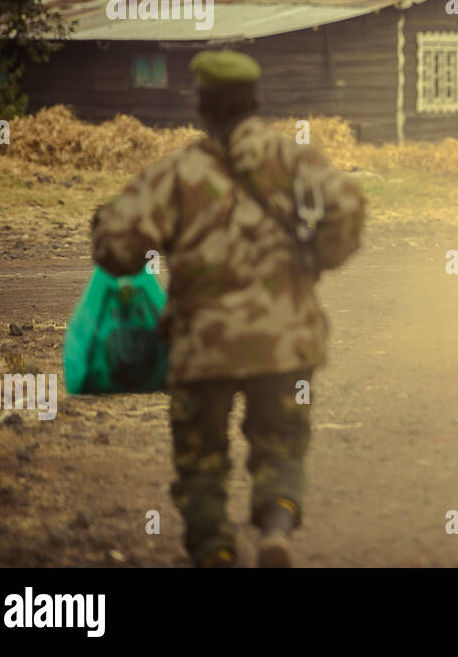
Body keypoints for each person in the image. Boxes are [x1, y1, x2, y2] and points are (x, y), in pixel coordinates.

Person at [91, 49, 366, 568]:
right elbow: (349, 207)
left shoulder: (176, 172)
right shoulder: (292, 158)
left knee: (201, 460)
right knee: (281, 442)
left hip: (202, 347)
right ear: (255, 101)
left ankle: (215, 550)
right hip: (284, 340)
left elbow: (117, 249)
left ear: (203, 105)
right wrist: (318, 261)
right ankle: (276, 529)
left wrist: (105, 227)